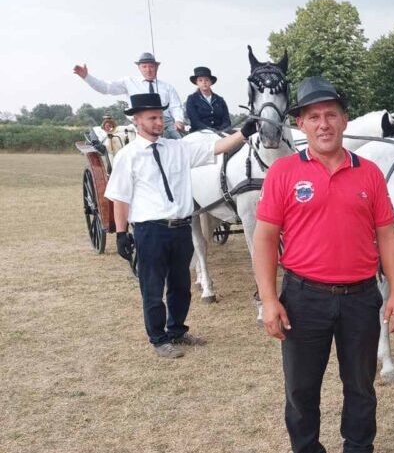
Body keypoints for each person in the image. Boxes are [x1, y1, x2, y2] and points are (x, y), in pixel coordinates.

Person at [252, 76, 394, 453]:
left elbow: (387, 234)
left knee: (360, 386)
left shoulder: (369, 173)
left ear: (344, 120)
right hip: (304, 299)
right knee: (302, 390)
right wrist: (270, 300)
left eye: (331, 115)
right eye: (314, 116)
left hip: (361, 297)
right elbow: (265, 239)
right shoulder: (284, 172)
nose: (324, 124)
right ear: (300, 124)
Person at [106, 92, 257, 358]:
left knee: (180, 285)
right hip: (150, 230)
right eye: (152, 118)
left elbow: (217, 148)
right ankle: (158, 338)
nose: (159, 122)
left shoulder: (178, 148)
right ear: (137, 120)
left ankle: (177, 330)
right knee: (153, 288)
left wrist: (244, 132)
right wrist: (121, 234)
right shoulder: (128, 156)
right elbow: (119, 197)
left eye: (161, 117)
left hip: (180, 228)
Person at [73, 52, 186, 138]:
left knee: (180, 143)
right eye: (144, 66)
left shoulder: (168, 87)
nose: (148, 70)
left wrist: (178, 121)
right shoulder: (129, 82)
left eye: (151, 66)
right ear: (139, 68)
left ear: (156, 67)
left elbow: (175, 106)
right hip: (139, 122)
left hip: (164, 122)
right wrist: (87, 77)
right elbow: (106, 88)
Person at [185, 66, 232, 132]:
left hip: (221, 132)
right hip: (200, 132)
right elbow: (195, 121)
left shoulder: (220, 100)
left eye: (206, 80)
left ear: (211, 82)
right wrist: (209, 130)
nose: (204, 82)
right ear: (197, 83)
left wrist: (221, 130)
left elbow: (226, 120)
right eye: (200, 80)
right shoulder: (192, 99)